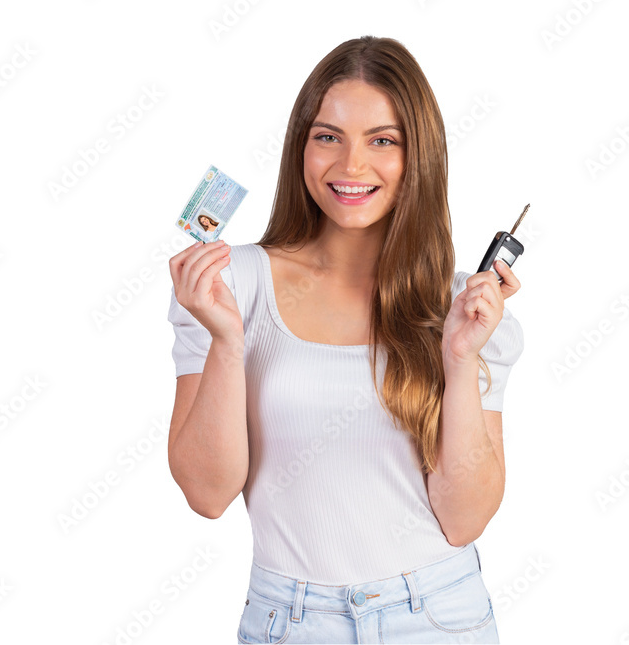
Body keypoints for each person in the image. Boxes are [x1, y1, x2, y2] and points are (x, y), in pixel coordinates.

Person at [166, 35, 523, 644]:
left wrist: (459, 361)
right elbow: (206, 493)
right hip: (291, 620)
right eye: (328, 136)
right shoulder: (230, 285)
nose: (351, 167)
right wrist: (227, 342)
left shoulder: (466, 310)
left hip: (438, 616)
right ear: (300, 147)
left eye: (383, 141)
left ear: (420, 158)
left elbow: (463, 520)